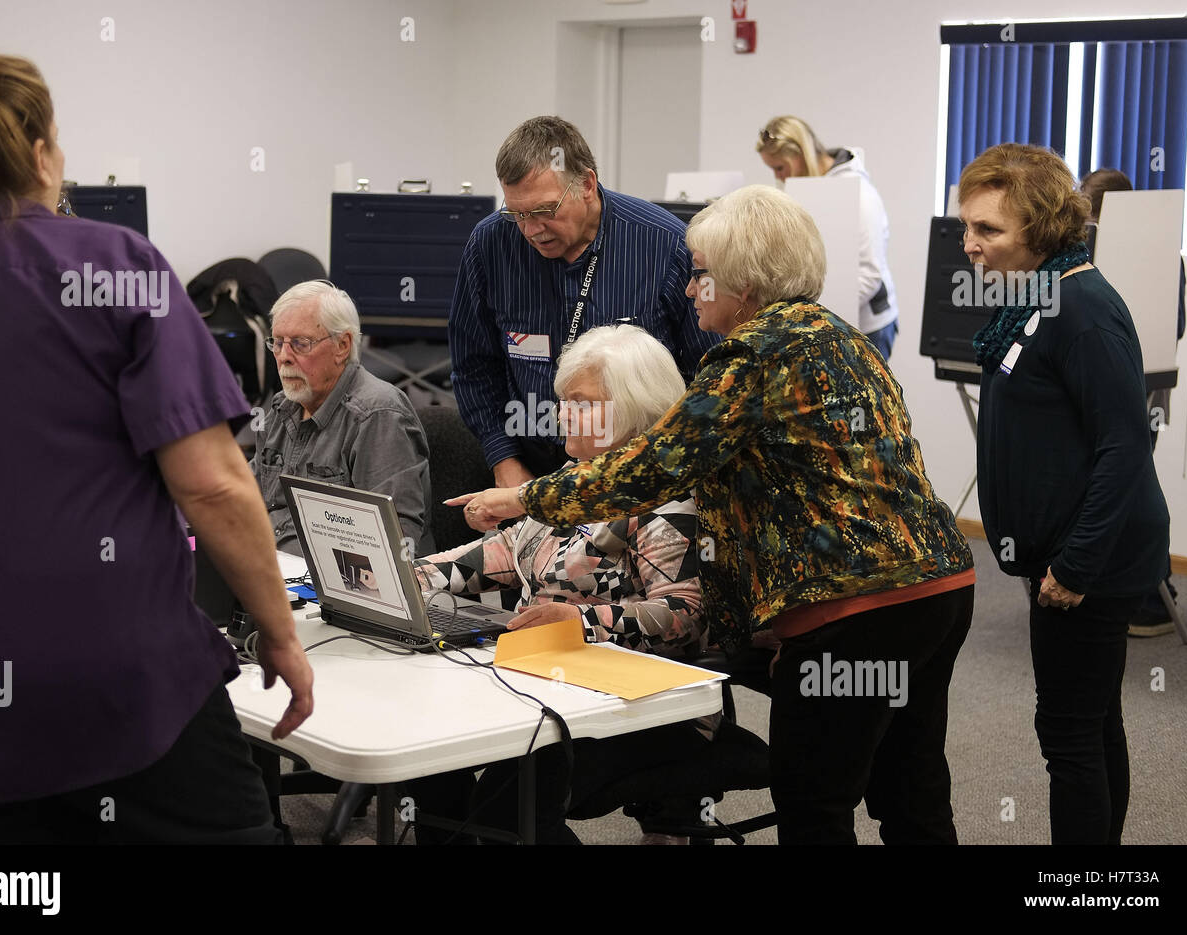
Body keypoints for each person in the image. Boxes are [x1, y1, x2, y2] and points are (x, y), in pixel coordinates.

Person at [459, 185, 975, 845]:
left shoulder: (751, 354)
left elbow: (652, 468)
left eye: (701, 273)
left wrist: (525, 498)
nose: (688, 289)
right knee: (911, 791)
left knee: (815, 802)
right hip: (936, 589)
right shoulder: (840, 338)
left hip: (853, 609)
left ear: (745, 283)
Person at [0, 54, 312, 843]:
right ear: (38, 152)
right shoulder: (117, 268)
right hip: (118, 684)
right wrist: (281, 631)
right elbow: (215, 487)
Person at [409, 324, 706, 845]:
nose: (564, 414)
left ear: (633, 409)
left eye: (583, 404)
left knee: (507, 808)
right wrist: (411, 576)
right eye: (563, 401)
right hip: (544, 682)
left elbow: (684, 615)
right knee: (431, 755)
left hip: (635, 701)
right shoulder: (571, 483)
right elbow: (501, 553)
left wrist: (583, 623)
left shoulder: (664, 498)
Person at [959, 143, 1170, 844]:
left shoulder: (1083, 307)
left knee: (1070, 736)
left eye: (988, 230)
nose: (970, 245)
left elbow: (1123, 448)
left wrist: (1075, 565)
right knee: (1092, 721)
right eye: (967, 226)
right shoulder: (1038, 295)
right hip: (1061, 557)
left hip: (1089, 564)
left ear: (1042, 225)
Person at [449, 115, 719, 488]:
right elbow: (473, 366)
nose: (531, 230)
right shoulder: (491, 244)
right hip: (530, 468)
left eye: (544, 211)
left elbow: (708, 377)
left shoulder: (664, 245)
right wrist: (502, 458)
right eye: (517, 213)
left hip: (637, 476)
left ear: (587, 184)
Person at [251, 280, 434, 557]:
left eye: (300, 343)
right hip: (272, 565)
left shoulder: (378, 415)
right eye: (277, 343)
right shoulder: (282, 406)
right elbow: (246, 495)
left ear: (342, 346)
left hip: (337, 584)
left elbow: (392, 540)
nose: (283, 357)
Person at [1079, 167, 1183, 638]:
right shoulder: (1157, 244)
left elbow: (1170, 322)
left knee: (1130, 486)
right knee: (1134, 483)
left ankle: (1153, 600)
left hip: (1140, 384)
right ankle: (1153, 592)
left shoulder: (1131, 247)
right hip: (1142, 381)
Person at [756, 115, 901, 358]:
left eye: (780, 168)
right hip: (827, 324)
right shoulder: (807, 188)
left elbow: (870, 274)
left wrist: (820, 318)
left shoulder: (861, 195)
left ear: (800, 155)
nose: (778, 178)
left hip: (867, 327)